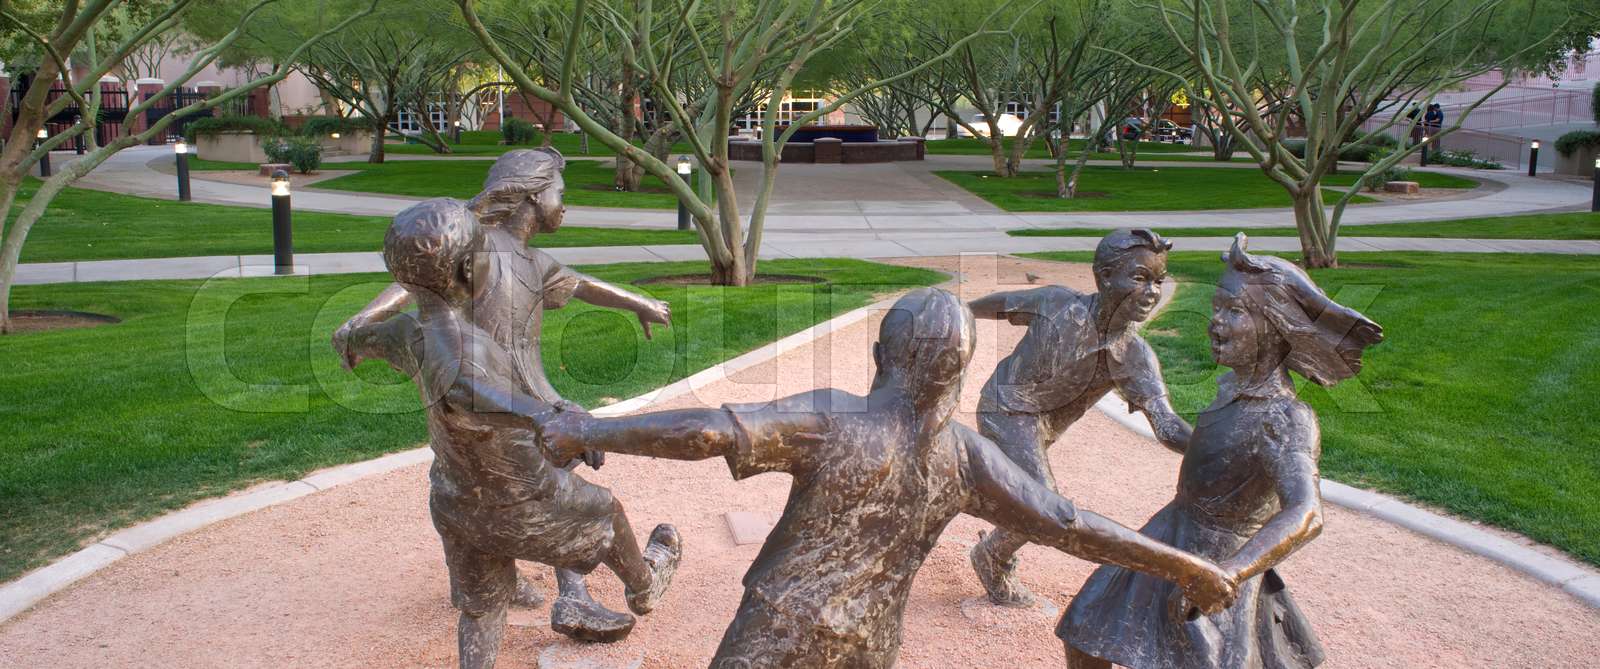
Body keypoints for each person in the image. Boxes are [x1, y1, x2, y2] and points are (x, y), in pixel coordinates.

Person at [523, 288, 1237, 669]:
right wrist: (1187, 564)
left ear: (879, 352)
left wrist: (590, 429)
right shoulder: (966, 456)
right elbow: (1071, 525)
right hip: (869, 642)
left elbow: (707, 429)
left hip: (780, 625)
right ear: (960, 370)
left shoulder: (833, 420)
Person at [333, 148, 671, 642]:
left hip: (508, 397)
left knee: (505, 480)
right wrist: (367, 318)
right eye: (561, 192)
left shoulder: (531, 260)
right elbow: (411, 283)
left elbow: (580, 286)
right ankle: (601, 590)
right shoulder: (481, 249)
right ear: (534, 196)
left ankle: (510, 583)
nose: (565, 204)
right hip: (509, 397)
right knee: (561, 493)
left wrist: (637, 300)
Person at [1059, 234, 1383, 669]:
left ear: (1275, 326)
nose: (1215, 322)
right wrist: (1152, 403)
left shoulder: (1284, 417)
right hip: (1170, 533)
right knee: (1084, 628)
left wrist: (1232, 572)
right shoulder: (1233, 391)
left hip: (1219, 557)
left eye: (1234, 312)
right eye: (1215, 308)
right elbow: (1203, 449)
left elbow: (1306, 513)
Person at [968, 229, 1193, 607]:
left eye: (1159, 281)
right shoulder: (1055, 303)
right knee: (1046, 505)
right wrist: (959, 312)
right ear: (1104, 277)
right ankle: (992, 555)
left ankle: (989, 519)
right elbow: (1003, 303)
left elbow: (1166, 425)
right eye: (1140, 278)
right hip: (1005, 407)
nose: (1152, 292)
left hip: (1041, 428)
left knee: (1026, 498)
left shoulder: (1134, 357)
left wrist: (1215, 445)